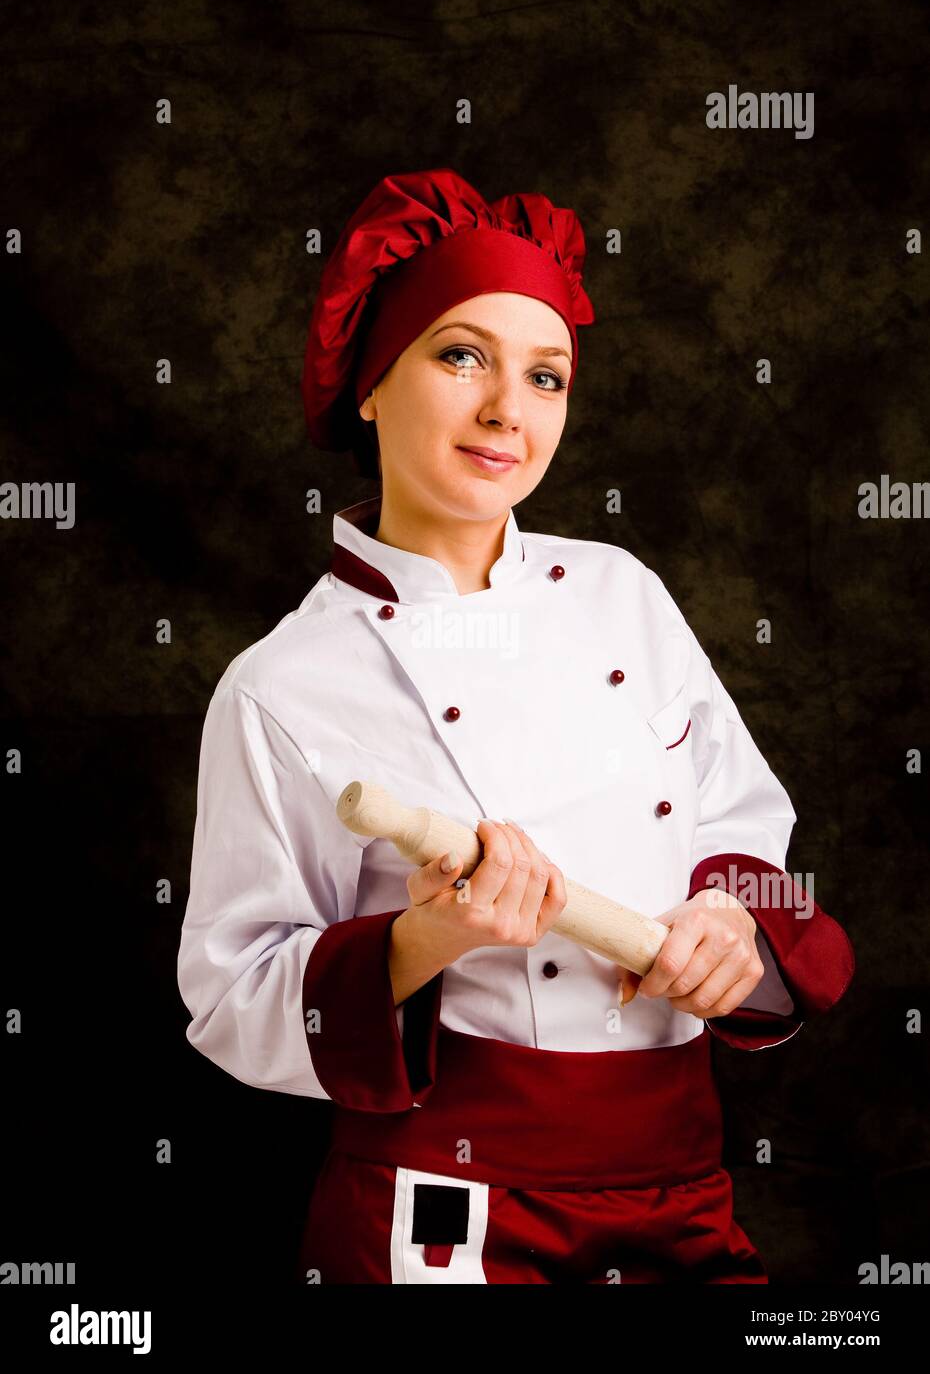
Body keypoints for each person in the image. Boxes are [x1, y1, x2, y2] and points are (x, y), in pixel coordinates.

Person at [176, 169, 855, 1284]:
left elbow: (746, 829)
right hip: (445, 1209)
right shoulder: (281, 684)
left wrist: (735, 921)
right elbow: (230, 996)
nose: (508, 409)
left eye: (545, 376)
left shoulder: (622, 589)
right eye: (460, 355)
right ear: (370, 383)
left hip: (683, 1182)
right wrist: (427, 936)